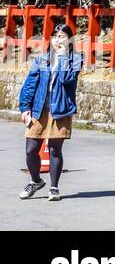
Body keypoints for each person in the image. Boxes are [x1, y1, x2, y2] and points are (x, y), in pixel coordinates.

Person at [18, 24, 82, 201]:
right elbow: (30, 84)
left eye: (62, 36)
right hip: (39, 109)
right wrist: (25, 107)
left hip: (60, 109)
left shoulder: (75, 59)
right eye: (55, 36)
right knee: (31, 150)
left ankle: (54, 187)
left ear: (69, 40)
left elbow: (66, 79)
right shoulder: (42, 59)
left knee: (54, 150)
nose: (58, 40)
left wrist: (62, 59)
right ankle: (35, 181)